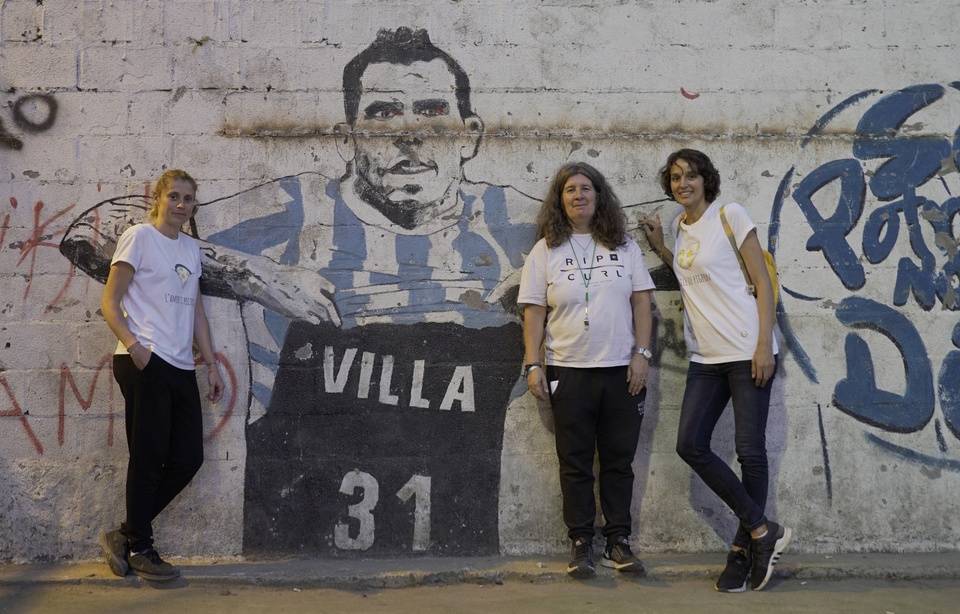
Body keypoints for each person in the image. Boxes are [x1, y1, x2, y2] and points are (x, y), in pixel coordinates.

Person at [63, 27, 536, 556]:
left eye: (430, 110)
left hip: (461, 512)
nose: (408, 133)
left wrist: (539, 278)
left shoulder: (509, 221)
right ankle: (136, 538)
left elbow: (615, 243)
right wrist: (266, 279)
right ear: (346, 136)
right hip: (293, 503)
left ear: (468, 134)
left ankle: (133, 535)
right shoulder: (294, 211)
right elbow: (90, 231)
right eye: (382, 113)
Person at [640, 149, 791, 592]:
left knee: (750, 451)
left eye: (689, 175)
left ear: (707, 179)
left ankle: (743, 551)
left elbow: (761, 281)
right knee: (690, 444)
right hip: (705, 357)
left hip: (748, 350)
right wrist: (661, 248)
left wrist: (764, 344)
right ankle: (764, 531)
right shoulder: (681, 228)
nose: (682, 183)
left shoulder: (731, 214)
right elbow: (693, 276)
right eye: (674, 178)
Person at [518, 162, 654, 578]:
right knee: (574, 461)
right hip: (568, 370)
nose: (579, 195)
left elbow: (643, 304)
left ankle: (618, 540)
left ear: (599, 196)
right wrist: (533, 363)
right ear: (560, 200)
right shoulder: (546, 250)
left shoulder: (625, 246)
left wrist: (641, 355)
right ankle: (581, 543)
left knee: (618, 461)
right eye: (570, 190)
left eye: (586, 188)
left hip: (621, 371)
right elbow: (534, 312)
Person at [97, 169, 224, 581]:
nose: (182, 205)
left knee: (188, 457)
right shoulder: (139, 237)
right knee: (148, 458)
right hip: (145, 361)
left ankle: (126, 533)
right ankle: (142, 548)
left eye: (189, 198)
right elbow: (110, 301)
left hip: (181, 365)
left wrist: (211, 363)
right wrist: (135, 348)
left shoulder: (190, 249)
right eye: (175, 196)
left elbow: (196, 312)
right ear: (158, 198)